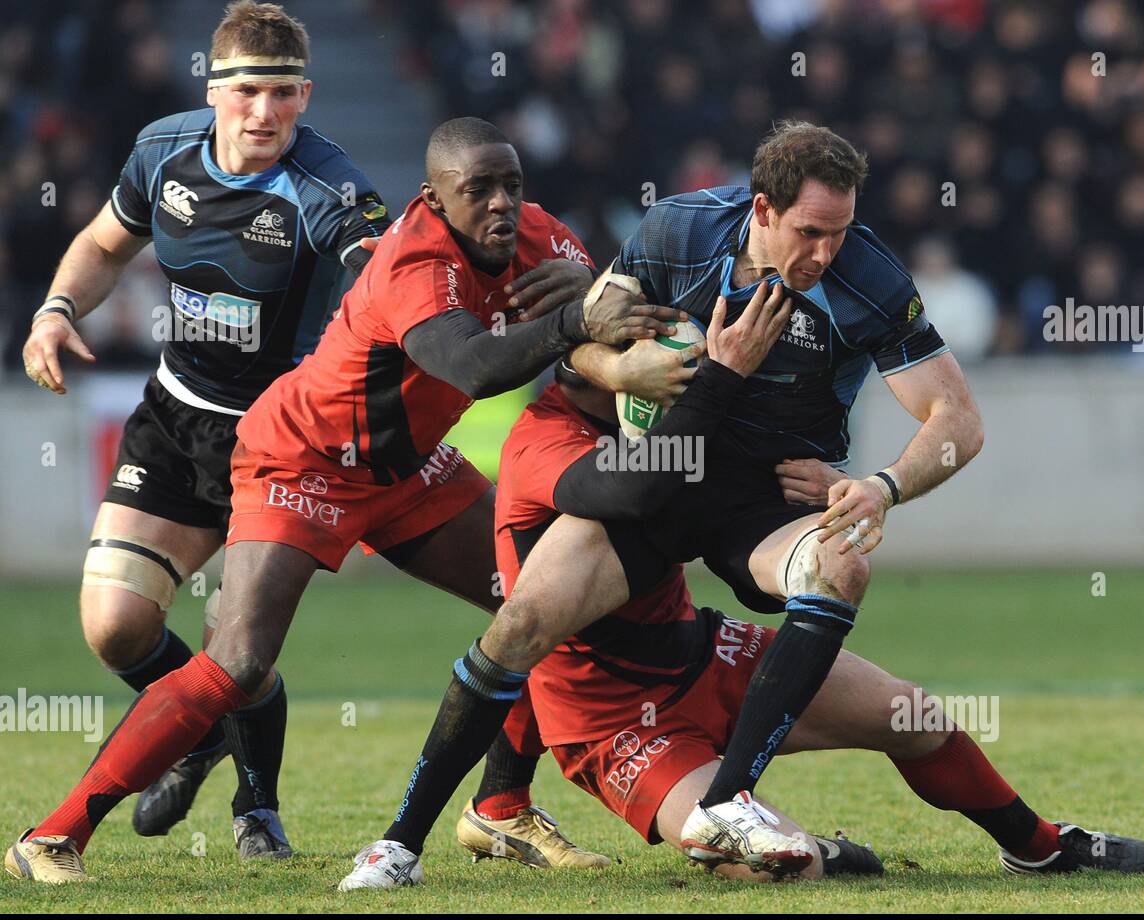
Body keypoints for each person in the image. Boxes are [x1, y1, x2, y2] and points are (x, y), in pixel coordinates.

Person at [5, 117, 669, 883]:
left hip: (409, 468)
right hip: (304, 456)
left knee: (548, 606)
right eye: (477, 190)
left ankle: (500, 809)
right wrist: (578, 316)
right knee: (239, 662)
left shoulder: (542, 239)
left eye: (511, 186)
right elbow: (474, 366)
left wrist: (595, 307)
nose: (500, 205)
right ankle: (50, 838)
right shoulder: (411, 259)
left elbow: (589, 340)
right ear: (434, 199)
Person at [334, 119, 989, 868]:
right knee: (524, 620)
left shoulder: (867, 279)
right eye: (811, 232)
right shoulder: (680, 230)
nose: (827, 253)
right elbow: (588, 330)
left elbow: (957, 421)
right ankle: (403, 841)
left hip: (761, 498)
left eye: (840, 232)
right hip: (645, 472)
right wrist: (616, 372)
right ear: (763, 210)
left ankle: (720, 803)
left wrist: (881, 486)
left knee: (840, 569)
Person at [344, 310, 1144, 885]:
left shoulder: (673, 424)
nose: (678, 365)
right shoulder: (543, 439)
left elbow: (741, 538)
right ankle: (812, 849)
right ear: (605, 362)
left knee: (915, 717)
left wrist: (831, 490)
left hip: (703, 652)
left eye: (682, 353)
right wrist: (717, 388)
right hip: (609, 715)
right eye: (659, 353)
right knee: (788, 865)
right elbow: (631, 495)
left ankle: (1038, 845)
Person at [17, 1, 393, 860]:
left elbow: (380, 279)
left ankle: (256, 812)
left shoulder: (328, 187)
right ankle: (200, 732)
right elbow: (107, 245)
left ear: (307, 93)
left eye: (286, 93)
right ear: (214, 88)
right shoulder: (163, 152)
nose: (267, 113)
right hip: (176, 413)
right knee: (114, 627)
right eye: (250, 91)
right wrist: (56, 309)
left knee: (239, 647)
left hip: (280, 436)